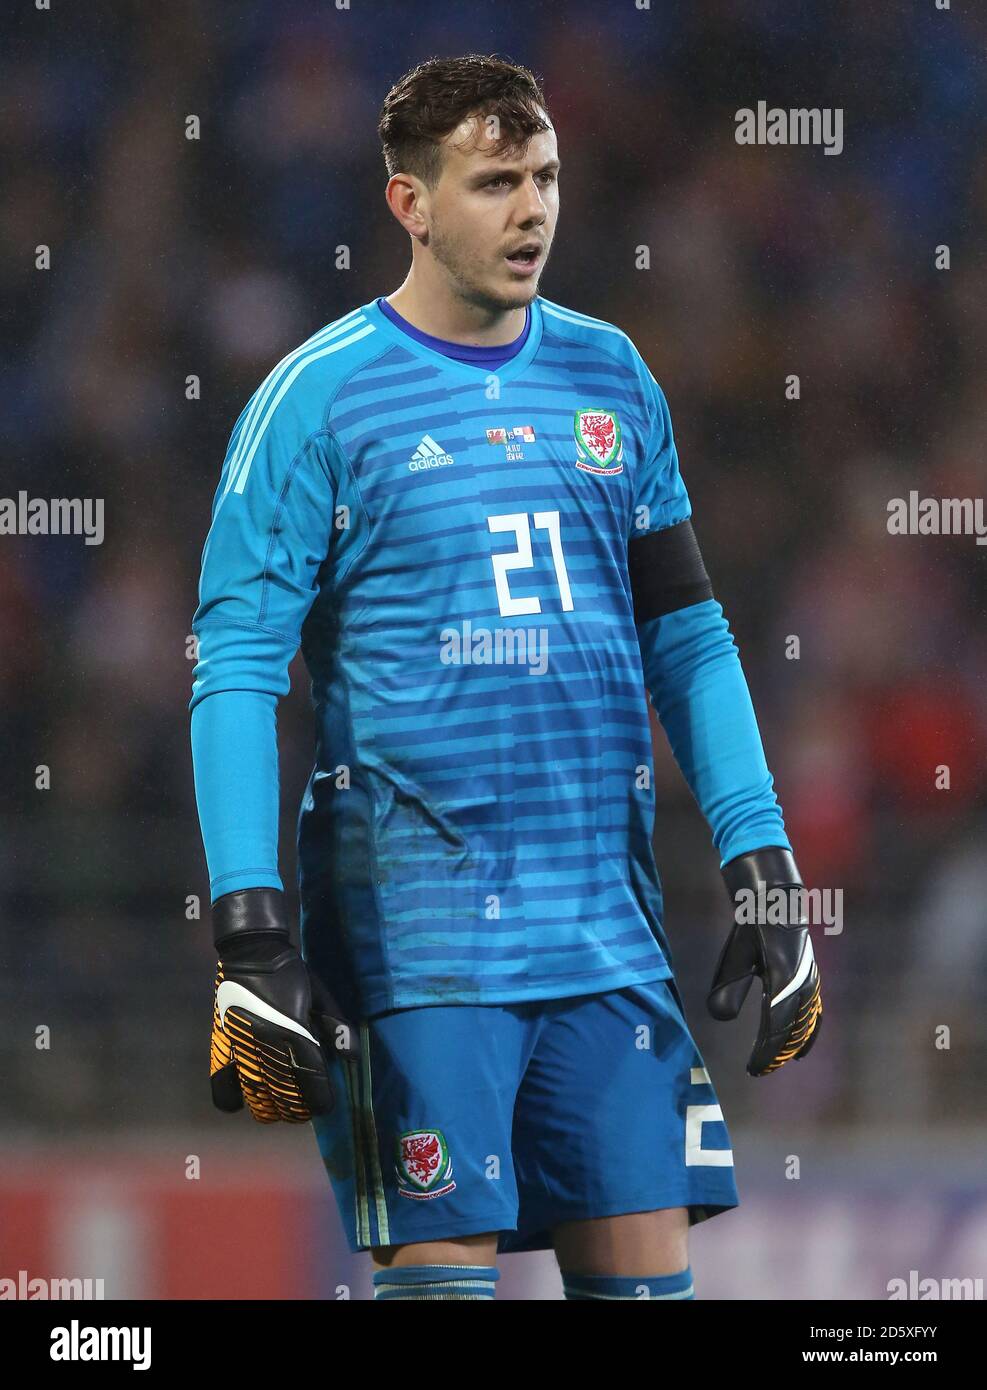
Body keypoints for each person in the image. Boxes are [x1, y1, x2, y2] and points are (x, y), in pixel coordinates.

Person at [190, 53, 821, 1302]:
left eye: (544, 178)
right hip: (419, 945)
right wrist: (250, 928)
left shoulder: (612, 379)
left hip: (603, 930)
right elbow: (239, 671)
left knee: (647, 1287)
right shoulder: (315, 401)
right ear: (409, 205)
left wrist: (762, 855)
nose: (532, 209)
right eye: (493, 183)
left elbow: (687, 632)